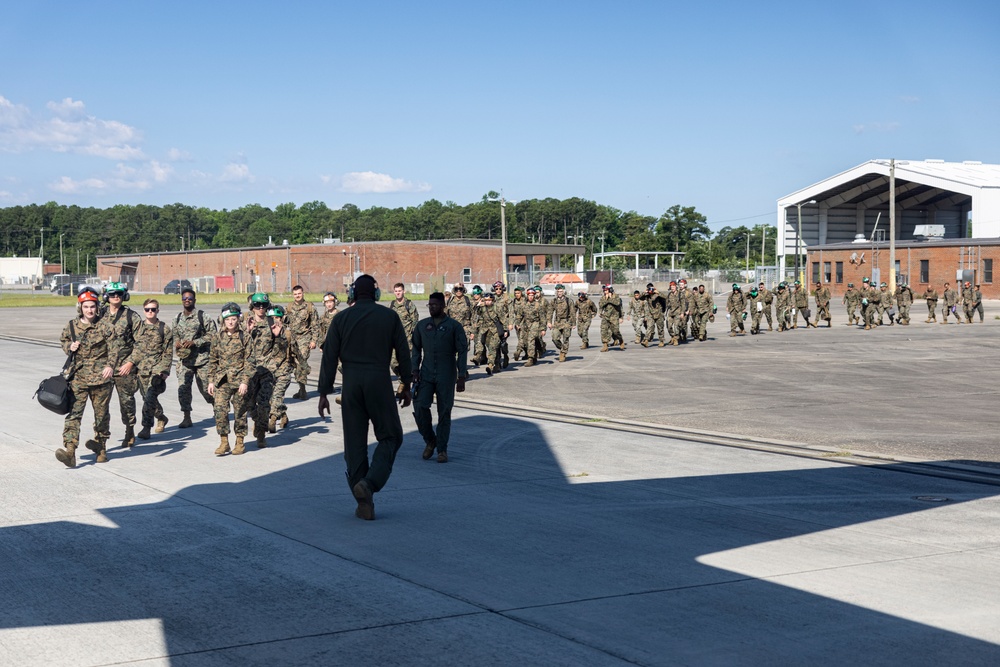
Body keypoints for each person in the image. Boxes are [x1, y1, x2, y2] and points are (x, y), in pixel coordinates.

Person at [318, 275, 411, 521]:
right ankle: (369, 484)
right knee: (391, 436)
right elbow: (403, 352)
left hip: (350, 386)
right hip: (378, 382)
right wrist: (407, 383)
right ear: (376, 294)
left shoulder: (340, 319)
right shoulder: (390, 317)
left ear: (353, 294)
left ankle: (362, 500)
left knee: (355, 444)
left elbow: (328, 357)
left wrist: (324, 393)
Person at [55, 289, 116, 468]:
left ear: (97, 307)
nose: (89, 310)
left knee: (101, 415)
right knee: (74, 415)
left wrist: (110, 366)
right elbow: (63, 341)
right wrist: (69, 346)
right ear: (80, 308)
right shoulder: (72, 326)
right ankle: (70, 452)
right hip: (78, 378)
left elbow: (114, 349)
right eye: (86, 306)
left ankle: (101, 447)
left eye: (92, 306)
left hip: (101, 380)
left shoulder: (106, 327)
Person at [411, 292, 469, 463]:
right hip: (426, 374)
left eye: (435, 305)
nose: (432, 308)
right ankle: (430, 440)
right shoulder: (422, 326)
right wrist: (414, 369)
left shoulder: (454, 326)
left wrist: (461, 376)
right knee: (420, 406)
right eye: (430, 305)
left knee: (444, 412)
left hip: (446, 374)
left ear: (443, 306)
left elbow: (462, 351)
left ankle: (442, 450)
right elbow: (415, 349)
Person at [207, 303, 253, 456]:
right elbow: (213, 360)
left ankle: (240, 441)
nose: (231, 322)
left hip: (240, 379)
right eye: (228, 319)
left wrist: (245, 381)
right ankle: (224, 441)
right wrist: (211, 381)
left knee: (240, 411)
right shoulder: (217, 337)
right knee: (219, 409)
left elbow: (250, 361)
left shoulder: (244, 337)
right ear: (223, 320)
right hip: (222, 379)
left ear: (238, 320)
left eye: (233, 319)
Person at [103, 281, 142, 447]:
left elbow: (142, 342)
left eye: (118, 293)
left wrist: (131, 362)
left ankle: (130, 430)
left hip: (123, 368)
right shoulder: (99, 314)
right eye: (112, 294)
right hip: (103, 368)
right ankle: (101, 436)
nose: (115, 297)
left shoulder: (131, 316)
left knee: (126, 402)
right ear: (107, 296)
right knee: (101, 404)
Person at [174, 288, 217, 428]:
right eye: (185, 298)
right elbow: (174, 335)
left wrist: (195, 342)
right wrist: (178, 343)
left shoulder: (202, 316)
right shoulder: (177, 318)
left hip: (202, 360)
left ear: (194, 300)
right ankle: (187, 417)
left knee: (206, 389)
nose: (187, 300)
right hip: (185, 361)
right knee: (183, 389)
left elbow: (213, 335)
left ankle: (218, 409)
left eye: (190, 298)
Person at [134, 299, 173, 442]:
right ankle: (161, 417)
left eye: (153, 309)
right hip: (141, 371)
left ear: (158, 310)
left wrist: (164, 371)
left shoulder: (164, 329)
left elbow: (168, 352)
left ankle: (146, 427)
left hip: (157, 372)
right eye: (147, 309)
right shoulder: (137, 328)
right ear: (143, 310)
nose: (150, 312)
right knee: (147, 399)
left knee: (149, 398)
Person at [263, 305, 295, 432]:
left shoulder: (288, 333)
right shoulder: (265, 334)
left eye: (278, 317)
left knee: (277, 396)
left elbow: (295, 352)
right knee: (271, 399)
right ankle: (283, 415)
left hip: (284, 371)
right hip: (269, 371)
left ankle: (273, 418)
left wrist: (302, 368)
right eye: (272, 318)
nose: (275, 320)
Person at [286, 285, 317, 400]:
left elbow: (315, 325)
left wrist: (314, 340)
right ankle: (301, 388)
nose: (297, 296)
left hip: (305, 339)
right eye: (295, 294)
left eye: (299, 293)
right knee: (295, 365)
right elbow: (284, 323)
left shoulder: (309, 307)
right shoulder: (289, 307)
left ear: (303, 293)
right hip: (293, 340)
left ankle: (303, 391)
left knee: (301, 363)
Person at [389, 282, 420, 393]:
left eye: (400, 291)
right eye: (396, 291)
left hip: (407, 340)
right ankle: (403, 379)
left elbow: (415, 321)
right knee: (393, 363)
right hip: (395, 340)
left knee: (408, 364)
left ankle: (405, 384)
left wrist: (414, 337)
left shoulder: (409, 305)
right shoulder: (392, 305)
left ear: (404, 291)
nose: (398, 293)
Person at [548, 284, 577, 362]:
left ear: (564, 292)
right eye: (558, 291)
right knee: (554, 338)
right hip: (557, 322)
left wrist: (574, 323)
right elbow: (550, 312)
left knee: (566, 339)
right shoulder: (554, 301)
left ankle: (563, 353)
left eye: (561, 291)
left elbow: (572, 312)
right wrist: (549, 322)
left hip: (566, 322)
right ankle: (562, 348)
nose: (559, 293)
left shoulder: (569, 301)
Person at [520, 287, 547, 366]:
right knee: (526, 342)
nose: (531, 297)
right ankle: (536, 353)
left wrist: (543, 329)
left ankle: (530, 358)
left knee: (530, 340)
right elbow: (519, 315)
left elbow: (542, 318)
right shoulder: (524, 304)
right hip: (526, 324)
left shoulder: (538, 305)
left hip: (535, 324)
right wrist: (517, 323)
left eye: (532, 295)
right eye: (529, 295)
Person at [598, 285, 625, 351]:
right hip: (606, 316)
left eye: (606, 290)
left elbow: (618, 304)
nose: (605, 292)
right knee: (603, 330)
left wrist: (621, 317)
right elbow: (601, 305)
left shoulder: (616, 296)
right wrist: (600, 312)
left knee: (615, 332)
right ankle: (605, 345)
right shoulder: (603, 297)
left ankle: (621, 340)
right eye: (604, 290)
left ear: (610, 290)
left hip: (614, 317)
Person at [664, 281, 684, 346]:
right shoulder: (669, 294)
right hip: (670, 313)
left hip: (677, 313)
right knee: (669, 327)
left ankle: (676, 339)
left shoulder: (680, 294)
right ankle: (673, 337)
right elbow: (666, 303)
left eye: (673, 286)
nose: (672, 288)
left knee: (676, 327)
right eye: (671, 287)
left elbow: (683, 304)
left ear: (676, 287)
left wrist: (682, 313)